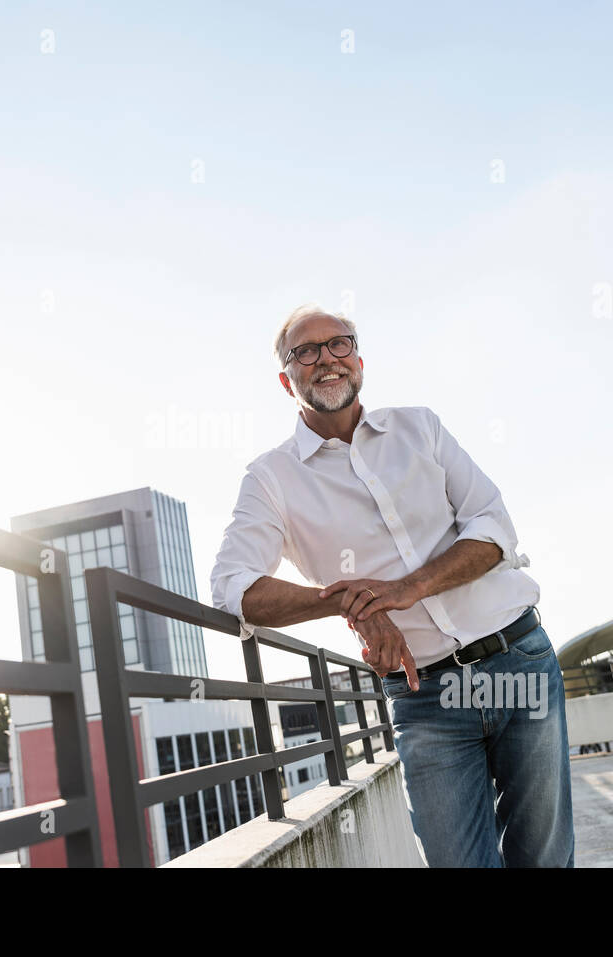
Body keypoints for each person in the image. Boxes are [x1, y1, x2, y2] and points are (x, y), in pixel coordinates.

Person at [209, 304, 575, 867]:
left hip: (517, 660)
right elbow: (234, 588)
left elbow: (493, 527)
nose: (326, 359)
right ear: (287, 380)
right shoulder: (271, 478)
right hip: (424, 694)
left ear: (359, 359)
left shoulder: (419, 427)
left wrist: (406, 589)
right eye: (305, 351)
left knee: (545, 859)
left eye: (339, 344)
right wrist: (346, 602)